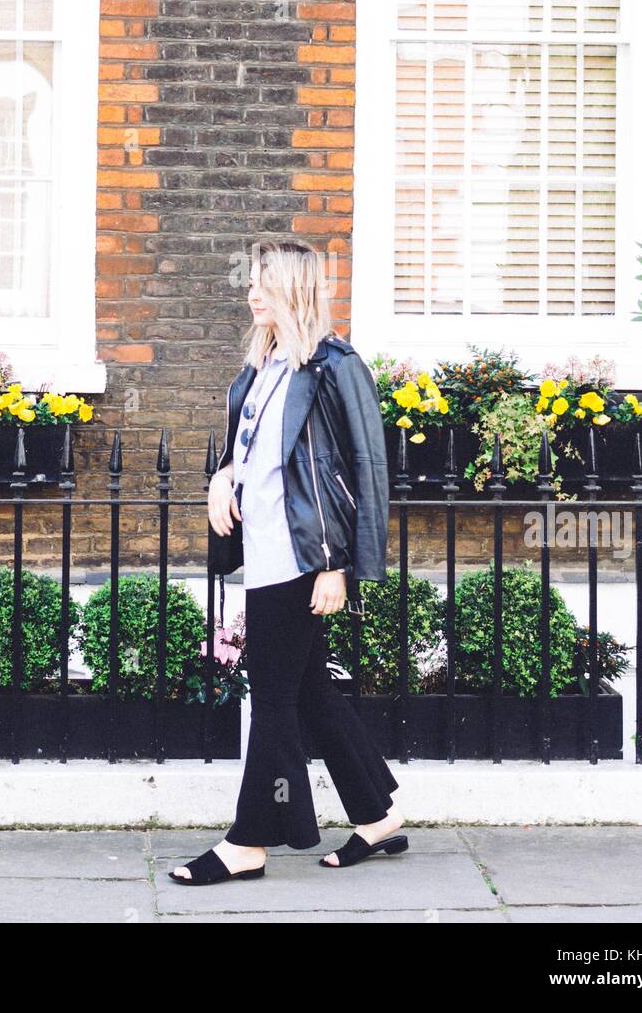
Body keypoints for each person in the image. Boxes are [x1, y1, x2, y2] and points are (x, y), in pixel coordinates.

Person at [169, 240, 407, 886]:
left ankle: (250, 840)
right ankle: (376, 816)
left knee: (272, 694)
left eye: (265, 282)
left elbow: (364, 470)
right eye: (250, 280)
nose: (251, 292)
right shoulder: (262, 367)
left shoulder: (335, 365)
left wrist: (337, 565)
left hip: (304, 557)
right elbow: (252, 454)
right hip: (266, 548)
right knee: (305, 689)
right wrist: (222, 477)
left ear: (295, 291)